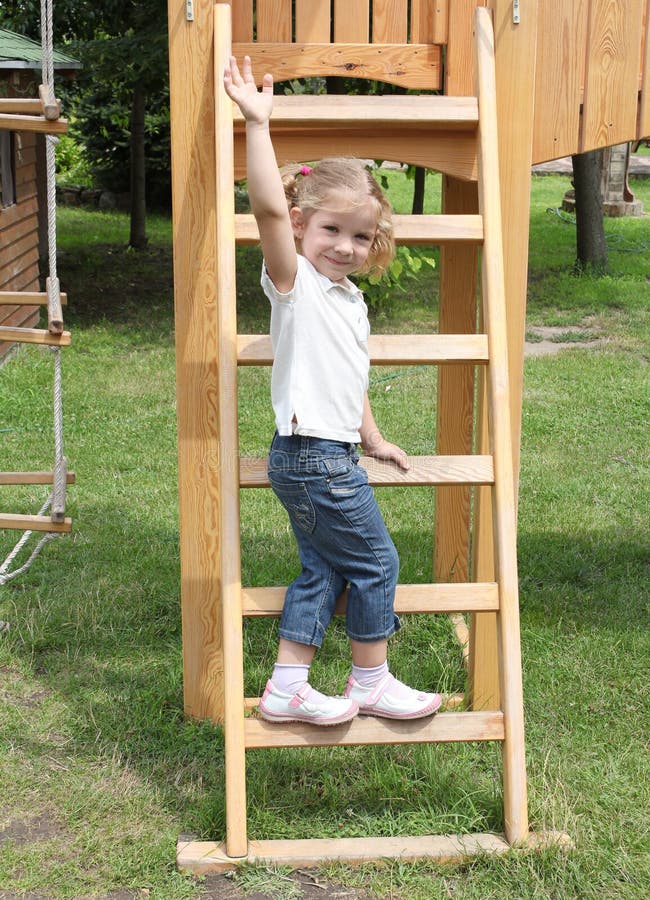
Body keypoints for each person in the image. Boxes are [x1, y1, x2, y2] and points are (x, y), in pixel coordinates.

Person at [224, 56, 442, 726]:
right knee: (379, 562)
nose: (345, 247)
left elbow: (350, 378)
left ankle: (287, 686)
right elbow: (262, 205)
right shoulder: (297, 287)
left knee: (324, 572)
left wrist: (373, 436)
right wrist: (257, 126)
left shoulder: (348, 301)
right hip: (314, 458)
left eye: (360, 236)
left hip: (329, 454)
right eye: (330, 231)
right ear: (299, 225)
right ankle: (370, 678)